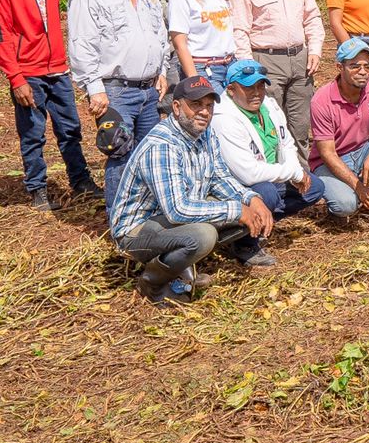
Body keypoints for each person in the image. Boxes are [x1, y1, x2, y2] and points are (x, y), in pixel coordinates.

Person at [110, 75, 274, 304]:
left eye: (208, 105)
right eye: (196, 104)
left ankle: (182, 267)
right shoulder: (162, 147)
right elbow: (177, 209)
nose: (204, 112)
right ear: (177, 107)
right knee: (203, 235)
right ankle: (153, 283)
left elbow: (218, 177)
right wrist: (236, 210)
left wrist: (250, 198)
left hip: (170, 215)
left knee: (251, 206)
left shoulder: (205, 133)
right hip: (137, 231)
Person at [0, 0, 101, 211]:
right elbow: (2, 34)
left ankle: (80, 181)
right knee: (33, 134)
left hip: (58, 67)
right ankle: (37, 189)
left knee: (70, 129)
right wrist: (16, 78)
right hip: (28, 70)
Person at [67, 0, 169, 211]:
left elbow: (159, 34)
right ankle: (121, 223)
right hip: (115, 91)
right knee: (121, 153)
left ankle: (146, 216)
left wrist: (161, 70)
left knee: (149, 156)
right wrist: (94, 89)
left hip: (149, 90)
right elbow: (81, 43)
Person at [209, 59, 325, 260]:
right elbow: (249, 173)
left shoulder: (268, 106)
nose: (256, 93)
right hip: (238, 185)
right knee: (267, 194)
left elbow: (286, 142)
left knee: (314, 187)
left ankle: (257, 223)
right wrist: (293, 173)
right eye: (248, 88)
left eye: (260, 86)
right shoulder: (224, 118)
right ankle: (243, 243)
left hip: (271, 173)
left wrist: (296, 170)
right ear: (230, 90)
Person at [230, 0, 325, 162]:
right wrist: (249, 69)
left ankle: (302, 182)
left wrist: (314, 50)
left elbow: (312, 16)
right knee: (272, 124)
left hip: (300, 61)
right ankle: (277, 180)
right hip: (266, 60)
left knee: (300, 126)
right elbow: (239, 30)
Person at [310, 38, 369, 232]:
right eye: (354, 66)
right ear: (340, 67)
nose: (363, 72)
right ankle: (343, 201)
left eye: (367, 66)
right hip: (331, 161)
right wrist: (358, 186)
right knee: (346, 205)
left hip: (363, 150)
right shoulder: (321, 100)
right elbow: (327, 153)